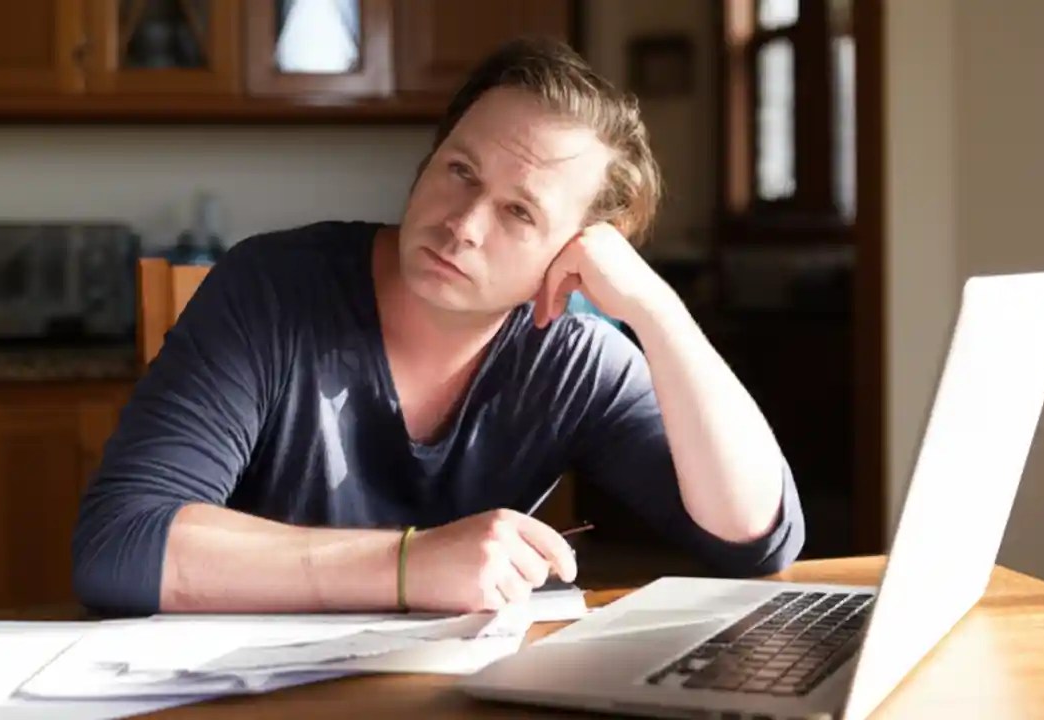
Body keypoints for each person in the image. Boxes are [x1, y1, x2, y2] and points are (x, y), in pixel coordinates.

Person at [72, 38, 805, 617]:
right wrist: (409, 564)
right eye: (460, 171)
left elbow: (754, 537)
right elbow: (120, 545)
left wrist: (656, 309)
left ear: (575, 253)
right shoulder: (271, 291)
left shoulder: (573, 359)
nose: (464, 225)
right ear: (429, 159)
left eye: (519, 212)